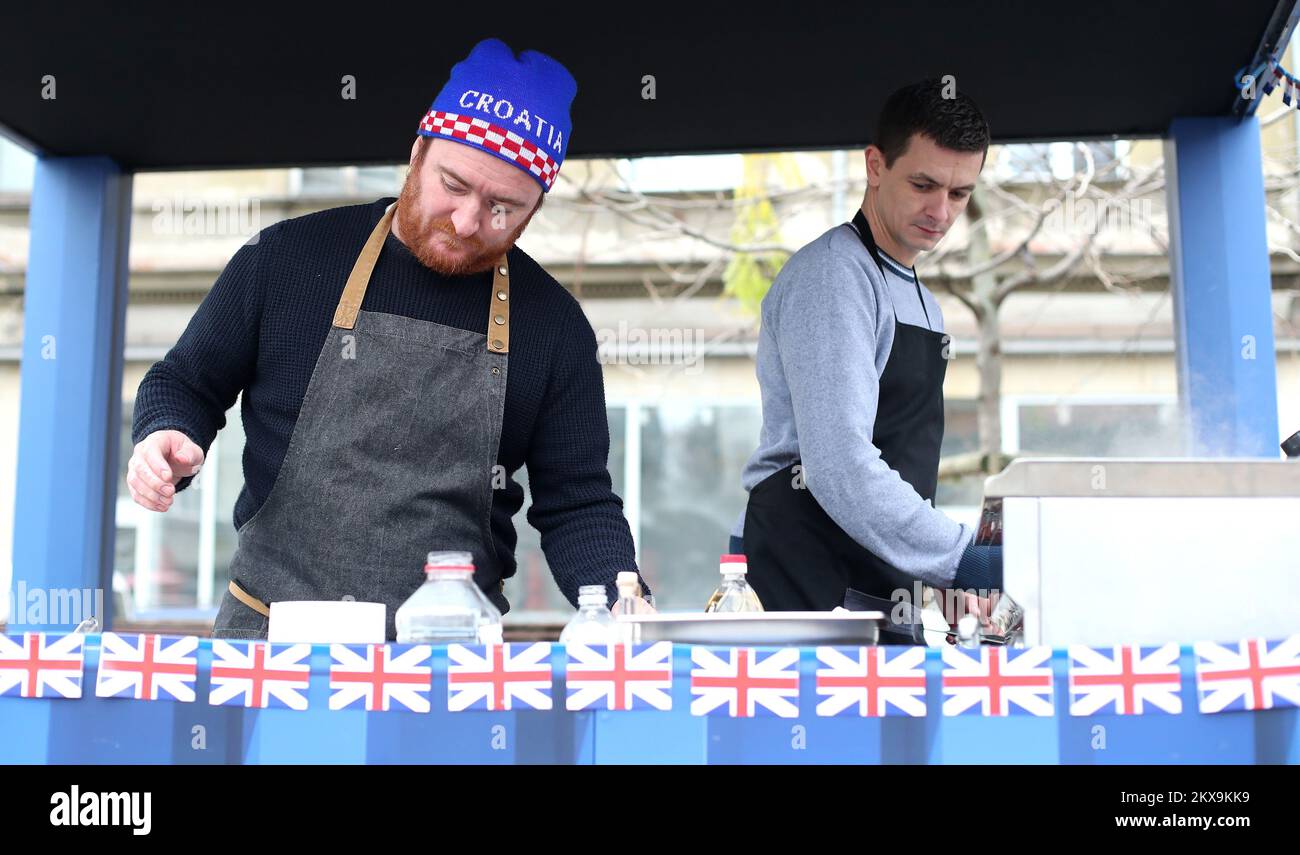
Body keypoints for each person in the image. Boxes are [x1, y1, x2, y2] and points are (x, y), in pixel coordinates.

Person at [128, 38, 653, 640]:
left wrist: (625, 603)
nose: (466, 222)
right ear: (417, 152)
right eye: (453, 185)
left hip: (449, 661)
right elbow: (186, 382)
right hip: (269, 646)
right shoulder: (287, 260)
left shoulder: (553, 326)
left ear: (534, 209)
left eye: (502, 208)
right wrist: (167, 432)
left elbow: (578, 501)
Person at [732, 78, 1001, 639]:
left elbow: (902, 466)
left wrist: (934, 579)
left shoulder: (923, 300)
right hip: (808, 578)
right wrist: (961, 559)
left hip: (881, 585)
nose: (941, 210)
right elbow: (840, 465)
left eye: (959, 194)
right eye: (923, 184)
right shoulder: (834, 277)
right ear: (875, 165)